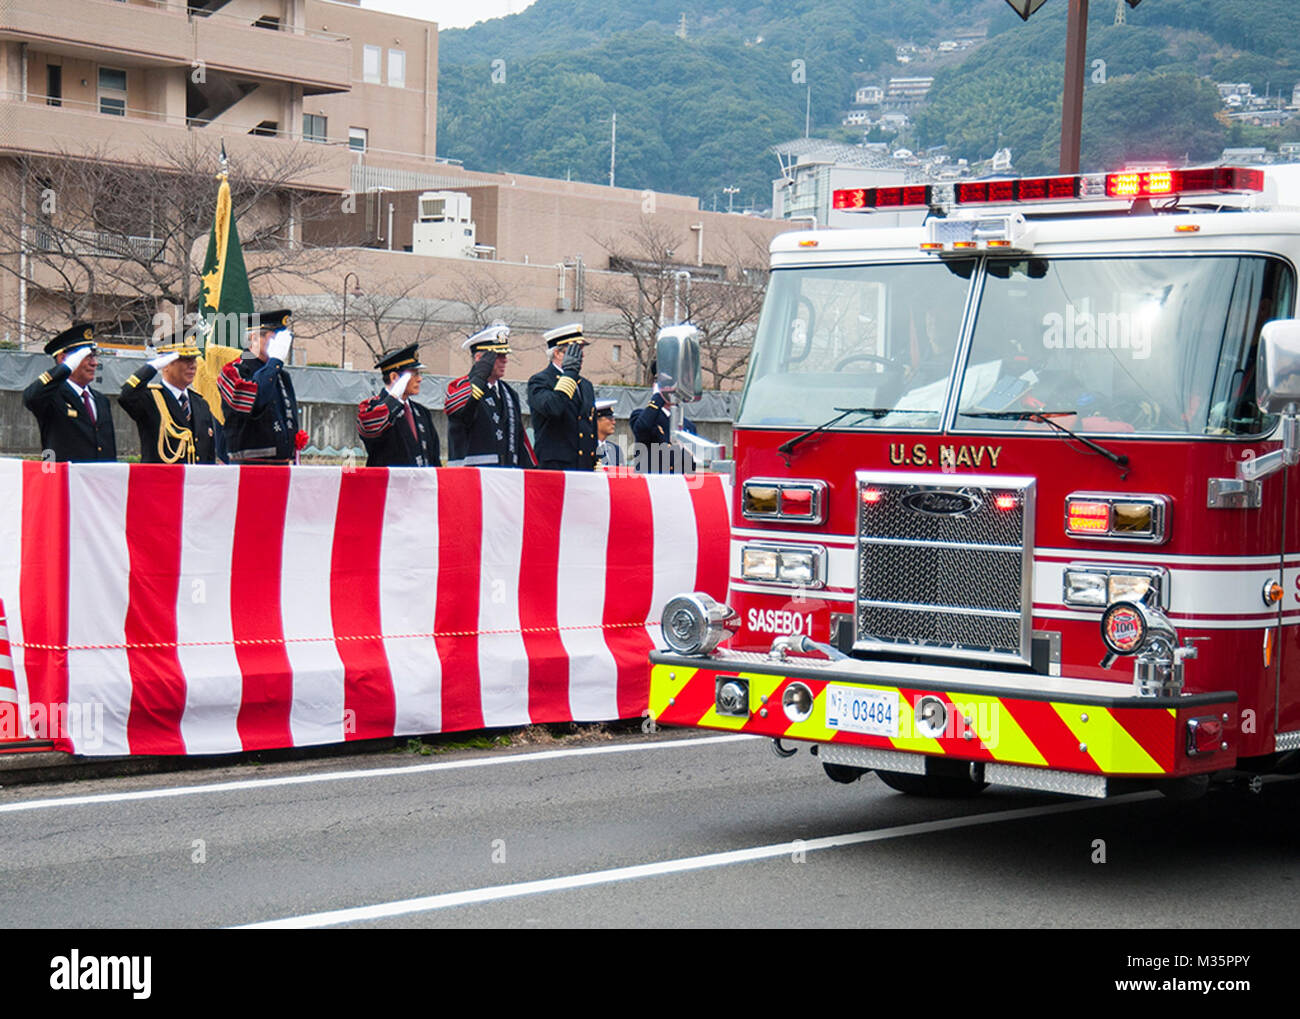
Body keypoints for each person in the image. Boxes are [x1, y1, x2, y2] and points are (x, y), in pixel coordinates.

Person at [118, 331, 219, 464]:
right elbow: (126, 395)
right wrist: (152, 367)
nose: (193, 365)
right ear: (165, 364)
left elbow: (208, 454)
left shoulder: (200, 403)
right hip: (162, 481)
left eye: (193, 359)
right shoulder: (151, 398)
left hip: (195, 482)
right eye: (184, 359)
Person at [22, 322, 117, 462]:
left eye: (94, 356)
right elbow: (30, 397)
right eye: (87, 357)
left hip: (98, 480)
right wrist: (66, 368)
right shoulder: (52, 396)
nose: (94, 363)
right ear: (64, 359)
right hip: (64, 479)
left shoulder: (101, 400)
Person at [217, 308, 302, 464]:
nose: (281, 346)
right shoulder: (233, 371)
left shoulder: (281, 375)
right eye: (274, 338)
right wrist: (274, 363)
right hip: (249, 466)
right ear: (253, 338)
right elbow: (254, 403)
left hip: (282, 465)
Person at [444, 323, 535, 467]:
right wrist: (478, 377)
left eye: (505, 354)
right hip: (472, 476)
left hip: (505, 475)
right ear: (479, 358)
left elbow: (520, 439)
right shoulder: (461, 387)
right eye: (498, 355)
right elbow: (456, 408)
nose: (505, 360)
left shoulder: (509, 393)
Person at [355, 343, 441, 467]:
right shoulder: (372, 407)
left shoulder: (422, 412)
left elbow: (433, 459)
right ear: (394, 377)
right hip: (388, 485)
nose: (419, 379)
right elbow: (370, 428)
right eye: (414, 374)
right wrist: (394, 398)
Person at [527, 322, 597, 471]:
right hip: (555, 466)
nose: (581, 355)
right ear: (558, 353)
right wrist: (569, 373)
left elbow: (590, 427)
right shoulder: (540, 381)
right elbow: (553, 407)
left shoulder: (585, 385)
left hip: (582, 466)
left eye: (581, 350)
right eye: (575, 351)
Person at [630, 359, 698, 473]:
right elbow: (642, 429)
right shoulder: (642, 416)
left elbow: (690, 467)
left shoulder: (688, 426)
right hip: (651, 484)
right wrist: (658, 396)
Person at [594, 399, 624, 468]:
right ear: (596, 421)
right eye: (610, 419)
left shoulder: (616, 450)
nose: (614, 422)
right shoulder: (588, 448)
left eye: (613, 419)